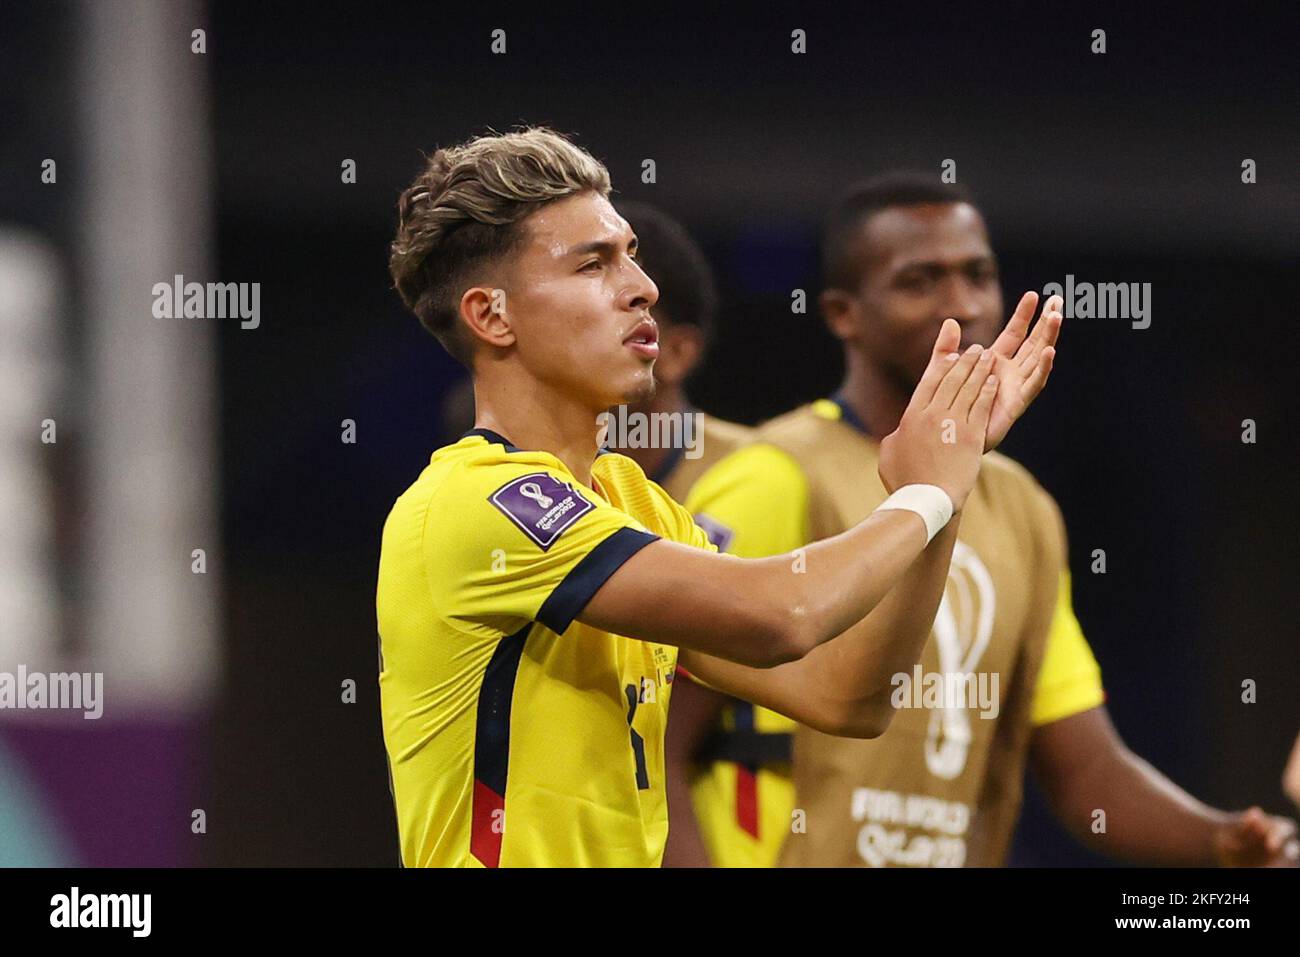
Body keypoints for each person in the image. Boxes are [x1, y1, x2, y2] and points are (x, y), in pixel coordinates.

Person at [378, 130, 1060, 866]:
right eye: (593, 263)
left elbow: (851, 699)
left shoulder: (641, 506)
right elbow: (785, 611)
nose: (642, 286)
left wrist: (949, 489)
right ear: (492, 315)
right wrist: (926, 491)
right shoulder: (482, 501)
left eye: (631, 252)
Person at [668, 172, 1299, 868]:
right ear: (844, 313)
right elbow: (654, 745)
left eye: (979, 275)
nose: (962, 305)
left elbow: (1086, 770)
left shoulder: (1023, 507)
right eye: (920, 282)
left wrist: (1219, 839)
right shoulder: (777, 473)